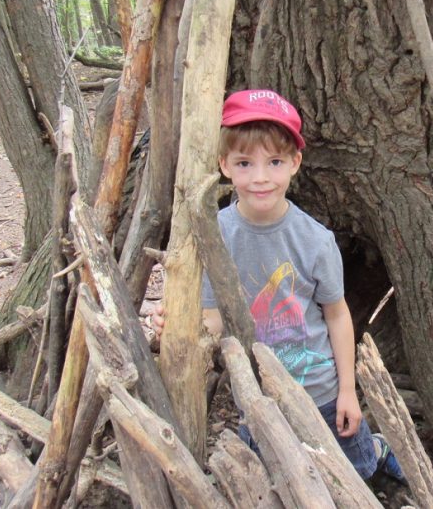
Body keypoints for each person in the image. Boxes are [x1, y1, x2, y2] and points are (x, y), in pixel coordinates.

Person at [151, 88, 405, 485]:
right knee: (277, 479)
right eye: (244, 163)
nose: (260, 177)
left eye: (274, 162)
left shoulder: (315, 240)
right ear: (224, 164)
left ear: (294, 163)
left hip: (319, 391)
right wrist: (177, 325)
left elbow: (337, 316)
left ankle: (377, 448)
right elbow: (213, 318)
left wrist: (347, 391)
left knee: (355, 472)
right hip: (258, 397)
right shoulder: (214, 235)